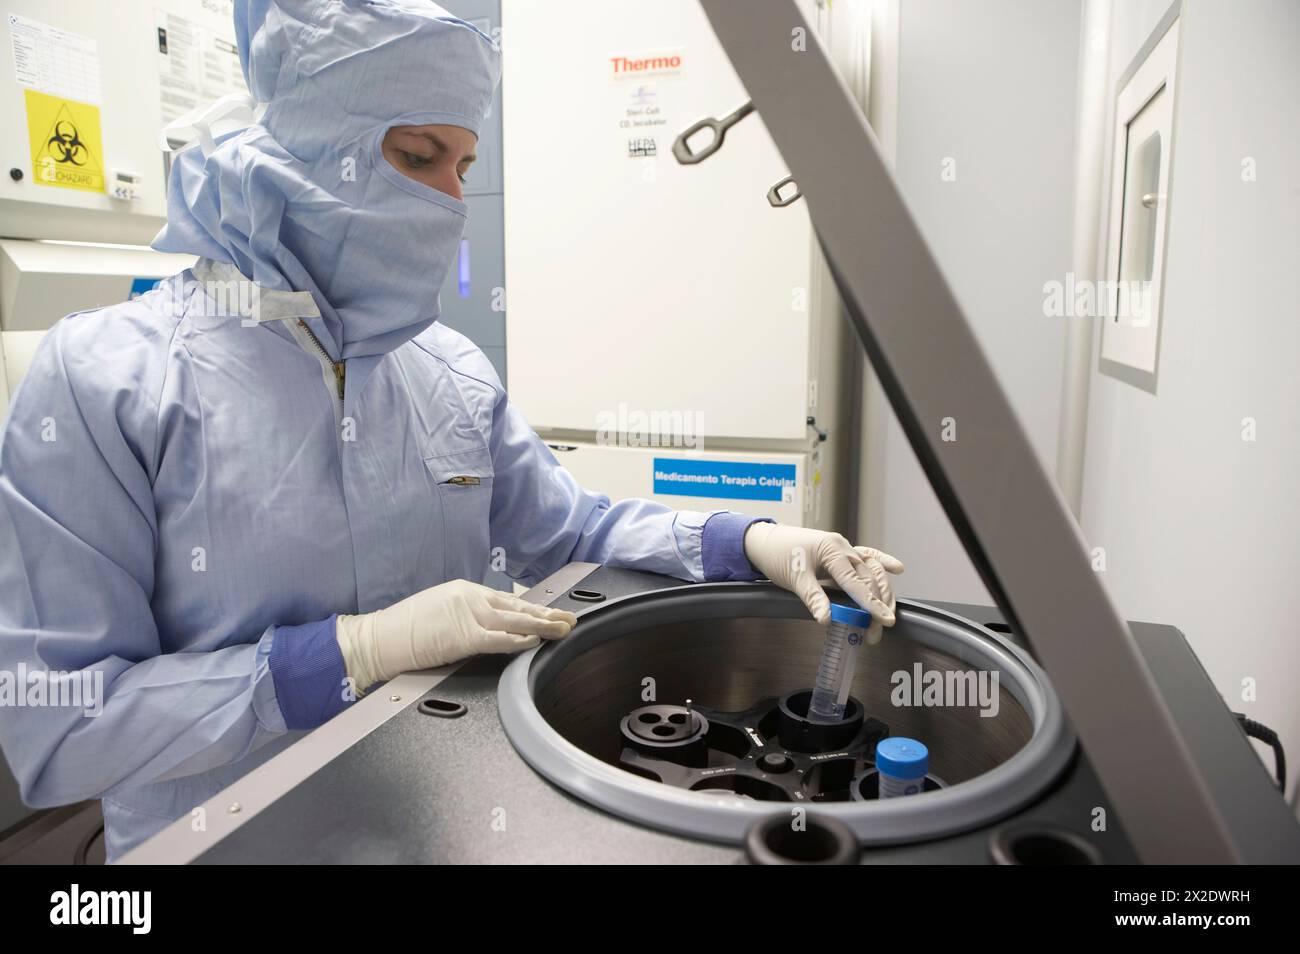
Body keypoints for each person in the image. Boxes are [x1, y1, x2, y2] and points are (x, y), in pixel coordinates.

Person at [0, 0, 902, 862]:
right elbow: (64, 727)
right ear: (310, 141)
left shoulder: (448, 369)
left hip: (444, 824)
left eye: (464, 167)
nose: (449, 201)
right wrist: (343, 656)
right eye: (419, 154)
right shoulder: (106, 380)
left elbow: (573, 530)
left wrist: (750, 537)